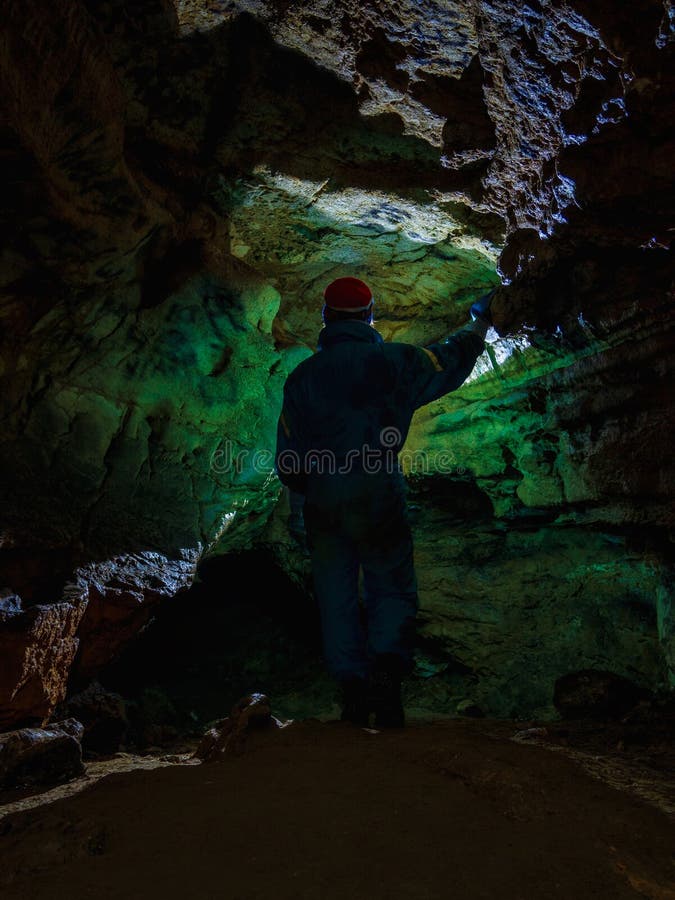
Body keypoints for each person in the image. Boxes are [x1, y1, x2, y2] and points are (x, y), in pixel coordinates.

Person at [275, 276, 493, 728]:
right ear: (371, 316)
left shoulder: (303, 377)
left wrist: (306, 497)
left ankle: (352, 693)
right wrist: (480, 323)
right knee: (390, 583)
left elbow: (289, 457)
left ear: (325, 318)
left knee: (334, 591)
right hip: (377, 487)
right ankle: (387, 683)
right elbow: (447, 362)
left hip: (325, 493)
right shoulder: (395, 362)